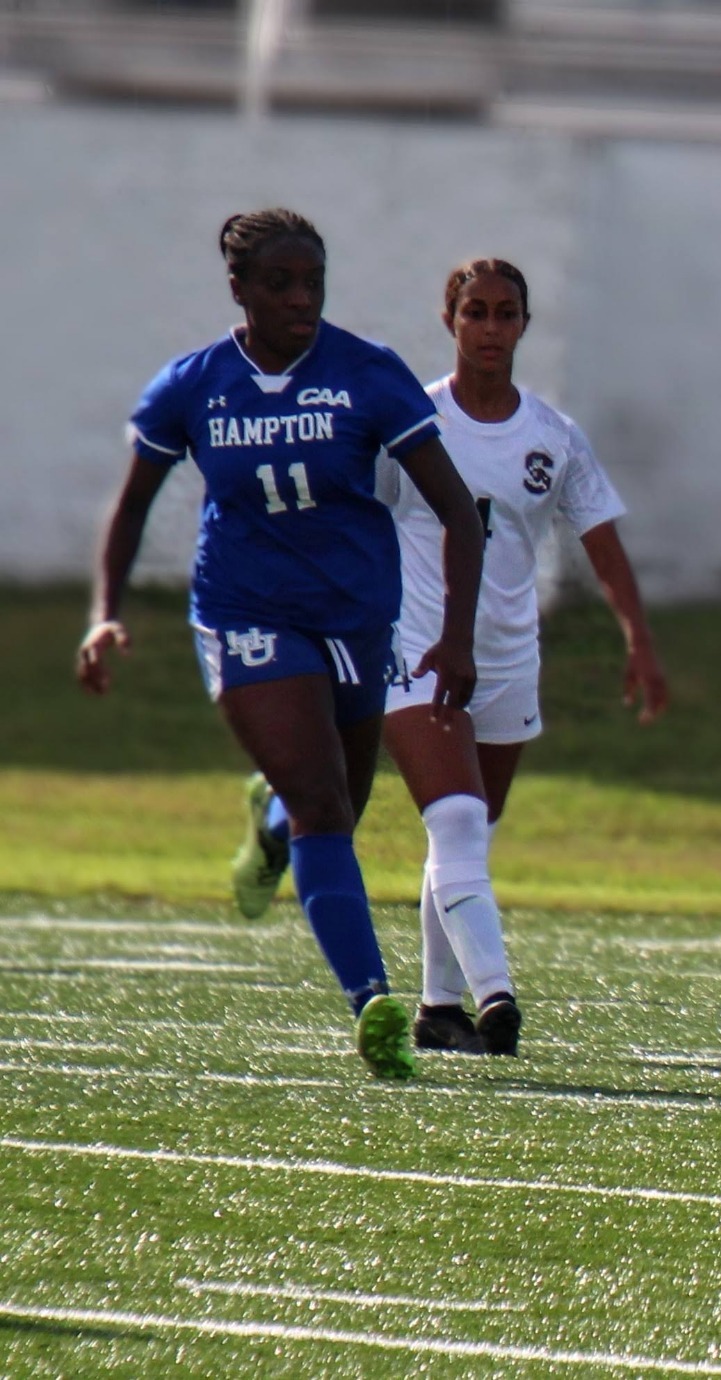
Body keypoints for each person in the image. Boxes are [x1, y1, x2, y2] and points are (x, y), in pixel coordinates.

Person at [78, 209, 485, 1079]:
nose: (302, 300)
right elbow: (131, 507)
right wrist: (104, 609)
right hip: (245, 612)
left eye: (313, 283)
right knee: (325, 805)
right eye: (281, 285)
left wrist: (454, 637)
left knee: (338, 795)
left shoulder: (369, 375)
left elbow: (458, 512)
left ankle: (267, 822)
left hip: (356, 615)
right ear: (240, 290)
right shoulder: (193, 386)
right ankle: (371, 1000)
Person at [233, 257, 667, 1058]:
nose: (491, 328)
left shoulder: (553, 438)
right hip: (415, 645)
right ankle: (496, 995)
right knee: (458, 818)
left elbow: (600, 542)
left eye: (507, 314)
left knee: (465, 837)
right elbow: (349, 517)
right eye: (476, 312)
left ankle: (438, 1007)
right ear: (450, 321)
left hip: (506, 657)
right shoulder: (414, 423)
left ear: (524, 326)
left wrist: (638, 639)